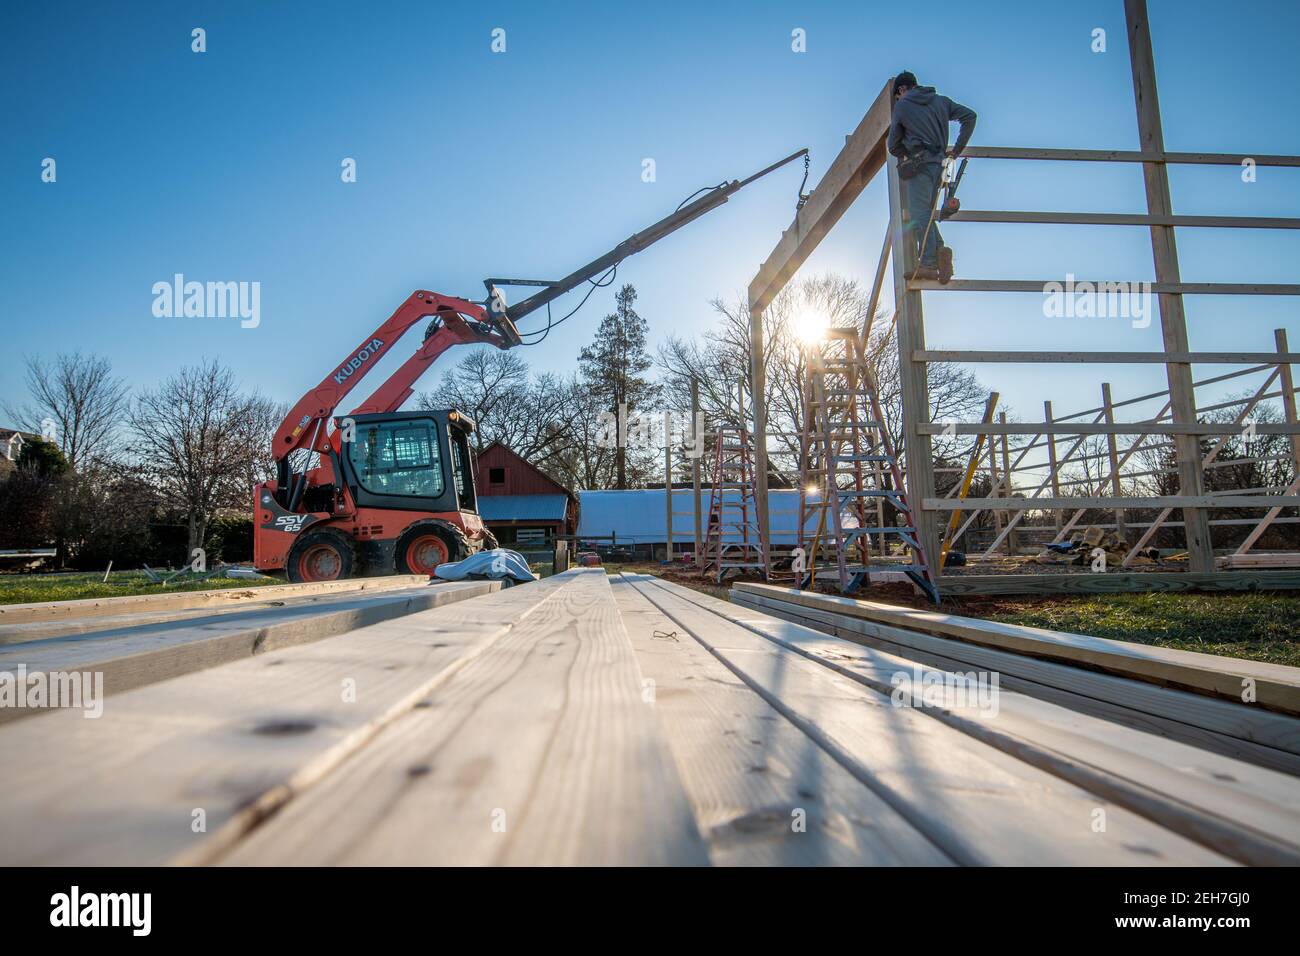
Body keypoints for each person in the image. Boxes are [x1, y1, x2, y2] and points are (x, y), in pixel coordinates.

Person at [887, 71, 976, 283]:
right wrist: (956, 150)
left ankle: (928, 262)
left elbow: (892, 145)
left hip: (919, 165)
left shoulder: (903, 105)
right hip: (940, 166)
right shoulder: (941, 101)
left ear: (901, 90)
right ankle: (939, 250)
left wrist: (905, 153)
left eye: (897, 96)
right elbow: (970, 116)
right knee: (925, 211)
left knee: (918, 212)